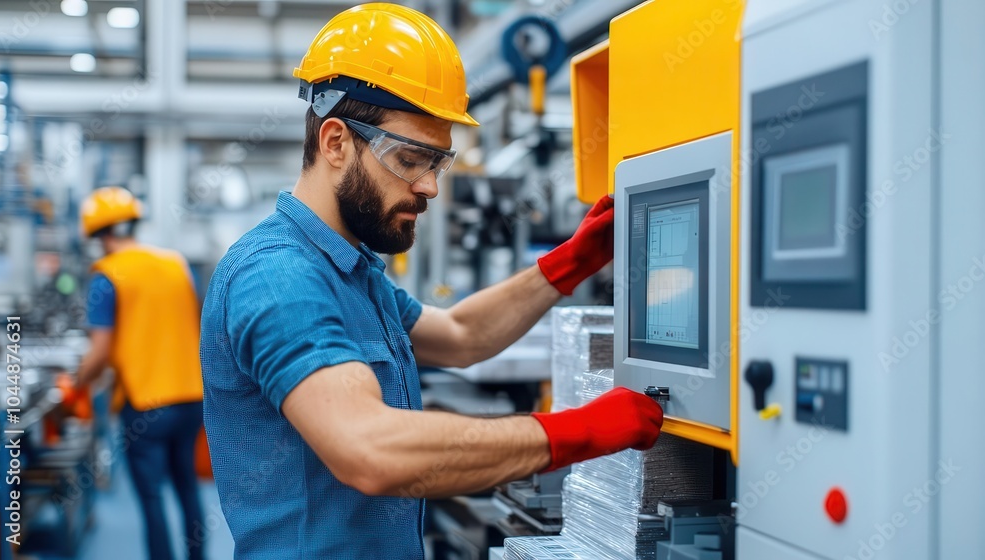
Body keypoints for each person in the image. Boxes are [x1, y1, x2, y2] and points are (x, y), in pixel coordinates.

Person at [200, 4, 664, 559]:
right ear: (335, 142)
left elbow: (462, 335)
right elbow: (369, 448)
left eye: (437, 163)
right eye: (411, 159)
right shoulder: (279, 277)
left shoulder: (351, 269)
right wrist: (578, 431)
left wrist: (569, 263)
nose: (429, 188)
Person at [75, 186, 206, 560]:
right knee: (187, 488)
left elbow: (99, 352)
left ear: (99, 234)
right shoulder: (175, 264)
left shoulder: (106, 276)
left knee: (151, 497)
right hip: (191, 397)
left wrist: (75, 385)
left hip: (146, 404)